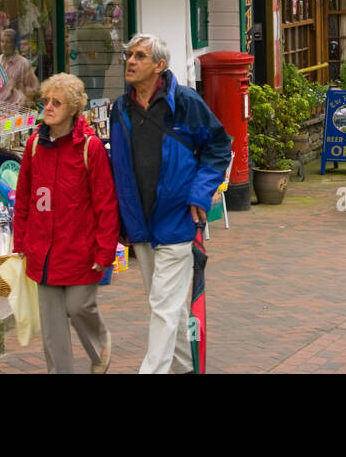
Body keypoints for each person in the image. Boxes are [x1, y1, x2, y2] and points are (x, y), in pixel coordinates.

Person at [108, 34, 232, 373]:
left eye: (140, 56)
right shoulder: (120, 109)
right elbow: (118, 165)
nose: (130, 62)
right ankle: (185, 368)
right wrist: (118, 220)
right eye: (128, 55)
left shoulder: (185, 101)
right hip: (140, 224)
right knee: (168, 306)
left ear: (159, 66)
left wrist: (199, 194)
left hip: (178, 218)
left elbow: (219, 147)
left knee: (163, 306)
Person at [13, 73, 119, 374]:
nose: (48, 107)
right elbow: (23, 198)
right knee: (52, 328)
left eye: (56, 102)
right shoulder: (34, 145)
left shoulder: (90, 147)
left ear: (72, 109)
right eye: (45, 101)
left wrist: (104, 251)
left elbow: (105, 204)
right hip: (42, 251)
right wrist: (20, 241)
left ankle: (100, 348)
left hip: (80, 250)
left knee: (79, 307)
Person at [0, 28, 40, 107]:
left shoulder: (23, 63)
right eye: (2, 41)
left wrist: (24, 101)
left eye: (8, 42)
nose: (4, 45)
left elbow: (34, 88)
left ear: (15, 44)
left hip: (14, 110)